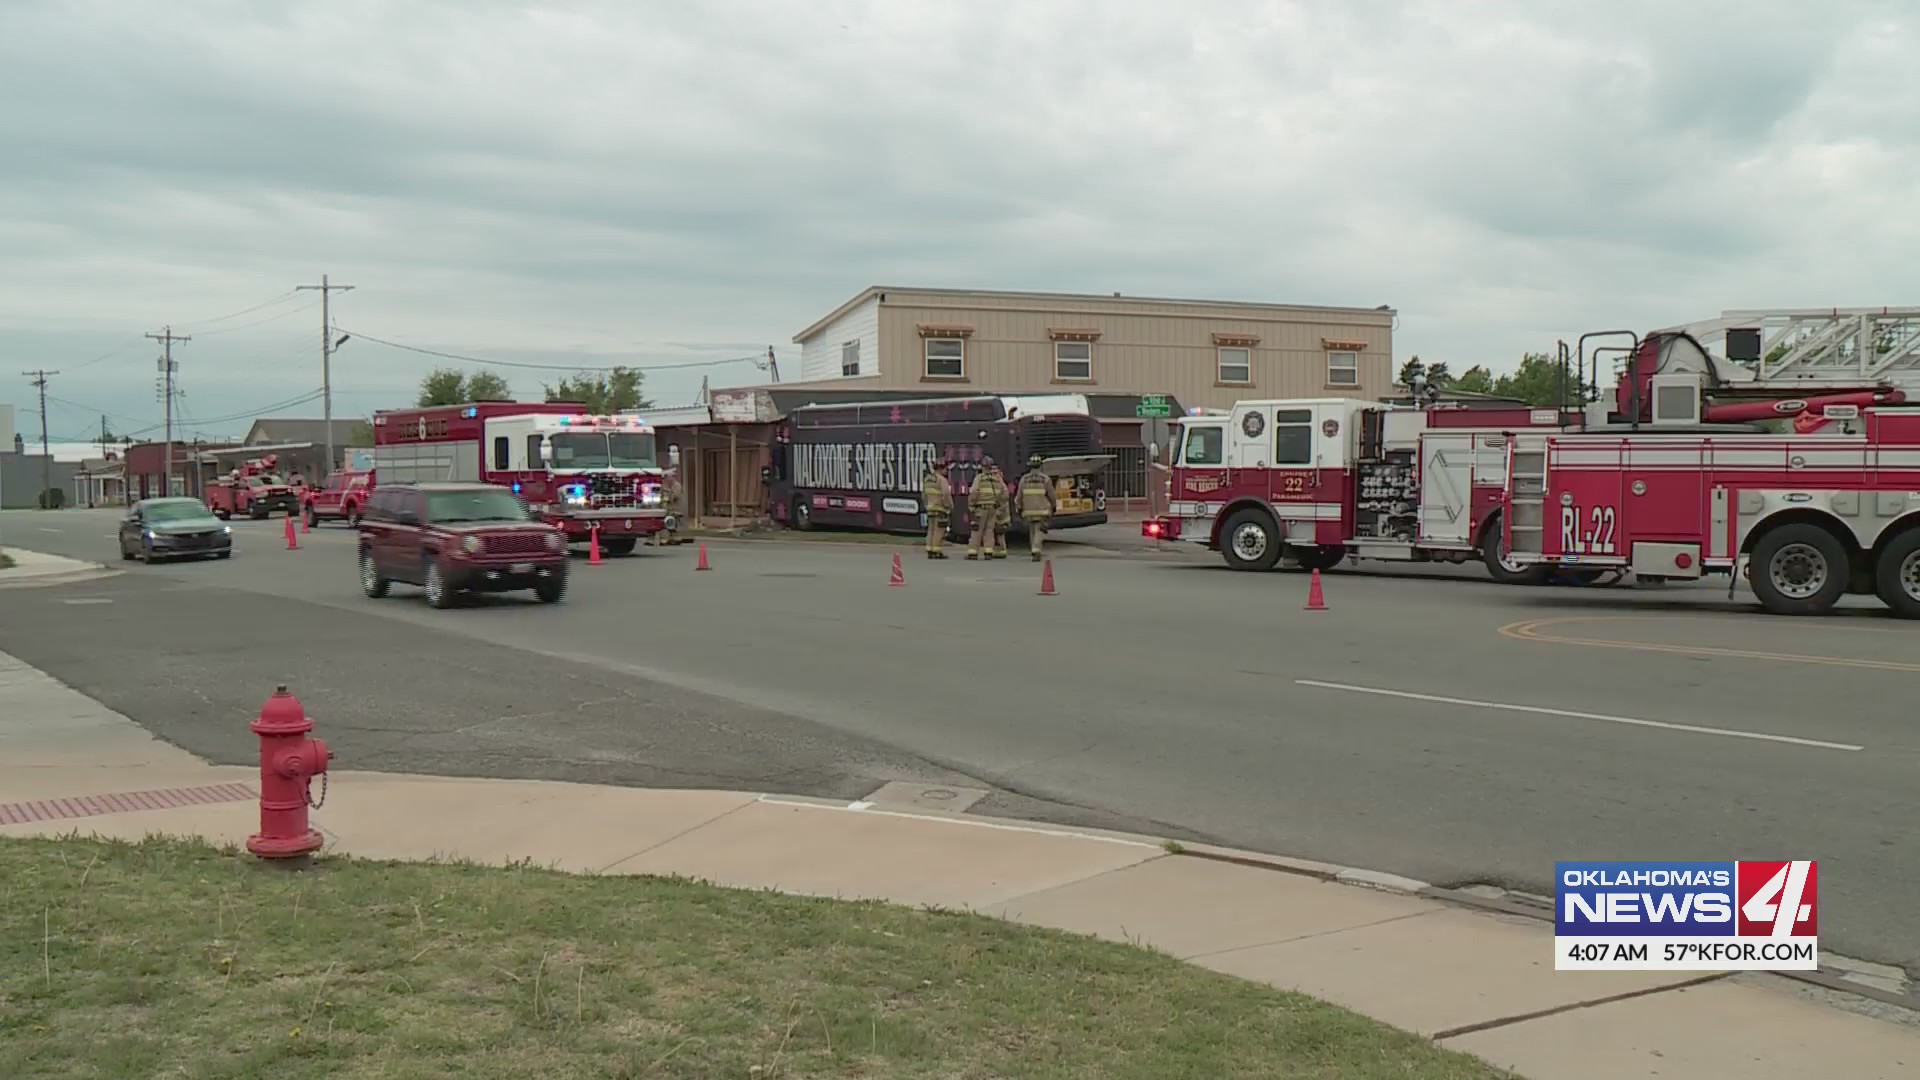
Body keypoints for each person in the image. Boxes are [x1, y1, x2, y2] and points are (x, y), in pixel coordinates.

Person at [1015, 457, 1058, 561]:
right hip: (1042, 510)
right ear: (1040, 465)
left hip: (1028, 510)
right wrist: (1053, 506)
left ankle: (1033, 548)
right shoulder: (1045, 479)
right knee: (1039, 530)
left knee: (1032, 530)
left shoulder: (1024, 479)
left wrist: (1019, 507)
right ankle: (1036, 550)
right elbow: (1051, 495)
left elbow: (1019, 495)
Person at [965, 456, 1005, 560]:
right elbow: (1004, 493)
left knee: (977, 530)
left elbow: (974, 492)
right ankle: (988, 552)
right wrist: (998, 503)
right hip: (992, 508)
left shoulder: (979, 478)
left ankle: (973, 552)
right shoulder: (997, 479)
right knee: (989, 530)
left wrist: (971, 505)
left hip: (980, 508)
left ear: (982, 467)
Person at [921, 459, 953, 558]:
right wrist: (949, 506)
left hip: (930, 508)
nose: (947, 471)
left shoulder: (927, 479)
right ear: (941, 468)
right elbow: (946, 494)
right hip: (940, 509)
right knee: (939, 530)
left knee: (931, 530)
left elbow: (924, 494)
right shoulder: (942, 480)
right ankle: (936, 550)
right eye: (945, 469)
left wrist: (926, 505)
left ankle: (929, 550)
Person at [991, 463, 1012, 559]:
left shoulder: (1001, 484)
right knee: (994, 532)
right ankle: (997, 550)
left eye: (996, 473)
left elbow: (1005, 497)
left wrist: (998, 508)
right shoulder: (994, 483)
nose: (995, 475)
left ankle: (1002, 550)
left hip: (1001, 512)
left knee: (1000, 532)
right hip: (996, 511)